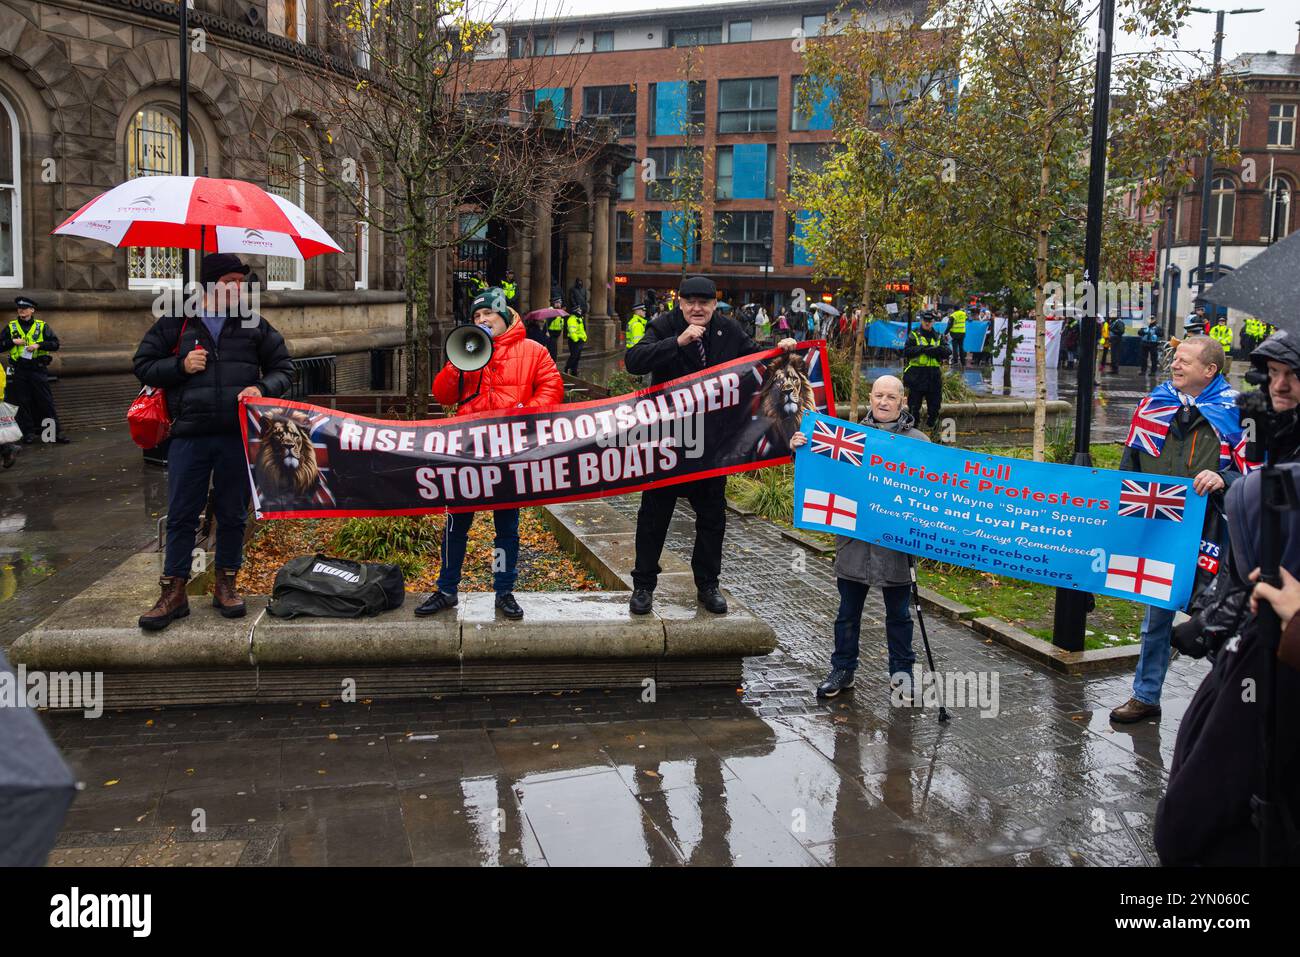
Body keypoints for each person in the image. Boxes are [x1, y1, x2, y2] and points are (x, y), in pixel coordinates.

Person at [132, 253, 294, 630]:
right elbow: (142, 364)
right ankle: (173, 592)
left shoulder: (253, 324)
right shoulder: (177, 320)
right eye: (231, 282)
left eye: (241, 282)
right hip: (188, 435)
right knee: (182, 514)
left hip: (237, 435)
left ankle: (226, 584)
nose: (238, 288)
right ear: (209, 284)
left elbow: (285, 367)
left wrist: (261, 386)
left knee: (234, 513)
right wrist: (181, 366)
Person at [623, 275, 797, 616]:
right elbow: (634, 361)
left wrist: (783, 350)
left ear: (714, 305)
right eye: (690, 302)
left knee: (712, 518)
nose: (697, 308)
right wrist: (678, 342)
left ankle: (708, 584)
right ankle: (643, 586)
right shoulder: (664, 325)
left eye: (704, 302)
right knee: (653, 517)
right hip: (669, 441)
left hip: (712, 443)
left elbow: (758, 360)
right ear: (680, 303)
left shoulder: (728, 329)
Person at [1110, 336, 1243, 723]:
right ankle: (1146, 695)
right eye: (1175, 359)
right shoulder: (1155, 404)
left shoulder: (1237, 413)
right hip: (1163, 528)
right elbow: (1130, 460)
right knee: (1157, 617)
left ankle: (1227, 706)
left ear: (1210, 370)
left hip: (1214, 530)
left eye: (1184, 360)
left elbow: (1257, 471)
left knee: (1216, 618)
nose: (1175, 365)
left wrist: (1224, 477)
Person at [417, 287, 564, 621]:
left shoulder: (534, 351)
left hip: (510, 453)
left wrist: (523, 413)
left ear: (504, 315)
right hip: (468, 451)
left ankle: (504, 590)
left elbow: (552, 391)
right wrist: (458, 364)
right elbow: (442, 395)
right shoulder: (467, 351)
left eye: (487, 315)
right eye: (476, 317)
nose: (482, 321)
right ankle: (447, 588)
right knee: (456, 524)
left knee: (506, 528)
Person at [790, 375, 923, 699]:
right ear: (871, 396)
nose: (884, 402)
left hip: (895, 546)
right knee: (848, 613)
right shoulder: (849, 437)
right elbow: (823, 472)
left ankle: (902, 675)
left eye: (891, 397)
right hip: (854, 542)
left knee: (899, 616)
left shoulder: (918, 442)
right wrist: (800, 450)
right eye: (879, 395)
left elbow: (929, 491)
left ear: (902, 401)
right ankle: (843, 670)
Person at [2, 296, 69, 445]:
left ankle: (51, 434)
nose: (22, 311)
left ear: (32, 310)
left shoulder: (42, 326)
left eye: (25, 309)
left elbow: (55, 344)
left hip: (37, 369)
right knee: (22, 403)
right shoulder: (12, 327)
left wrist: (39, 345)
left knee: (45, 402)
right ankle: (28, 434)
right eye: (19, 309)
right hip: (19, 370)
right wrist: (12, 342)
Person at [902, 312, 949, 428]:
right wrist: (922, 349)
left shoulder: (938, 336)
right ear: (921, 320)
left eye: (930, 321)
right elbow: (906, 352)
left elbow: (948, 351)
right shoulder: (914, 335)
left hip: (933, 376)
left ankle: (932, 428)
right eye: (925, 321)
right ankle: (913, 429)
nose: (927, 323)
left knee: (935, 406)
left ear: (933, 322)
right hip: (917, 375)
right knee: (914, 406)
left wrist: (937, 350)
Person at [563, 308, 587, 375]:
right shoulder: (572, 319)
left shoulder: (580, 318)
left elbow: (582, 329)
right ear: (575, 311)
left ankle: (574, 371)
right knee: (573, 356)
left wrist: (584, 338)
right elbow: (572, 331)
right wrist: (576, 340)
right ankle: (566, 369)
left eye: (580, 310)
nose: (580, 311)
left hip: (580, 340)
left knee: (577, 357)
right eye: (578, 310)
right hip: (574, 341)